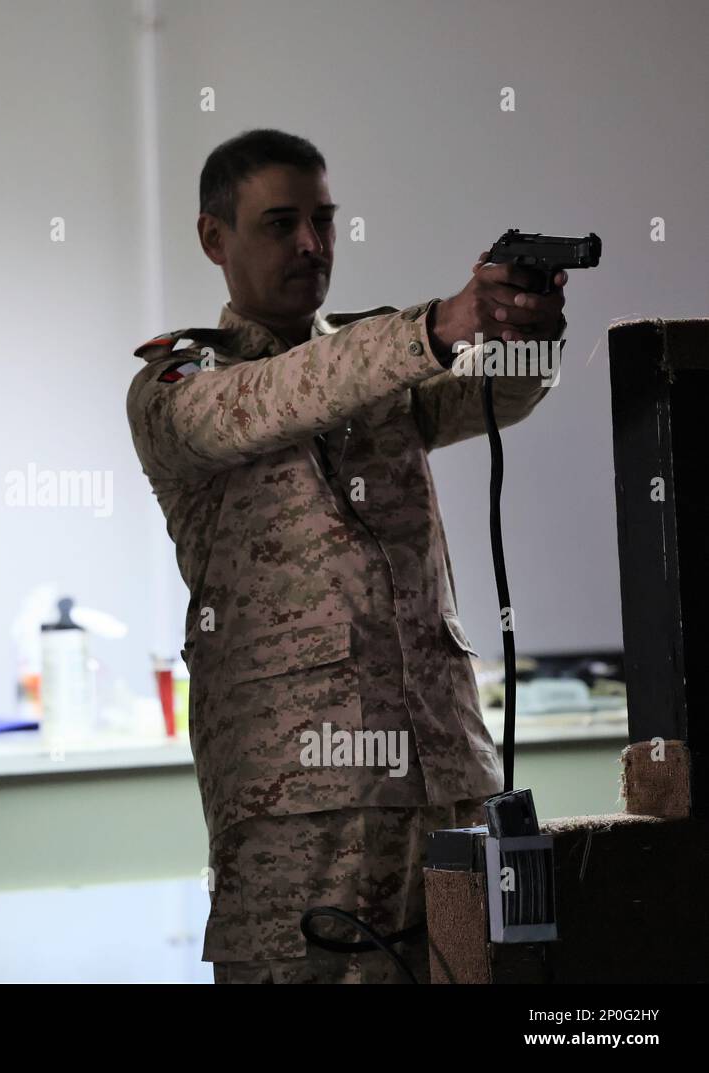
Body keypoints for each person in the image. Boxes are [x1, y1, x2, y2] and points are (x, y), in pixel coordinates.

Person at [125, 129, 566, 984]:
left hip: (444, 772)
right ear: (214, 238)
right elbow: (285, 393)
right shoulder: (177, 383)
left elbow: (496, 391)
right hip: (298, 809)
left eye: (323, 221)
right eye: (279, 224)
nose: (310, 244)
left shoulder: (381, 359)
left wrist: (526, 324)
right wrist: (437, 325)